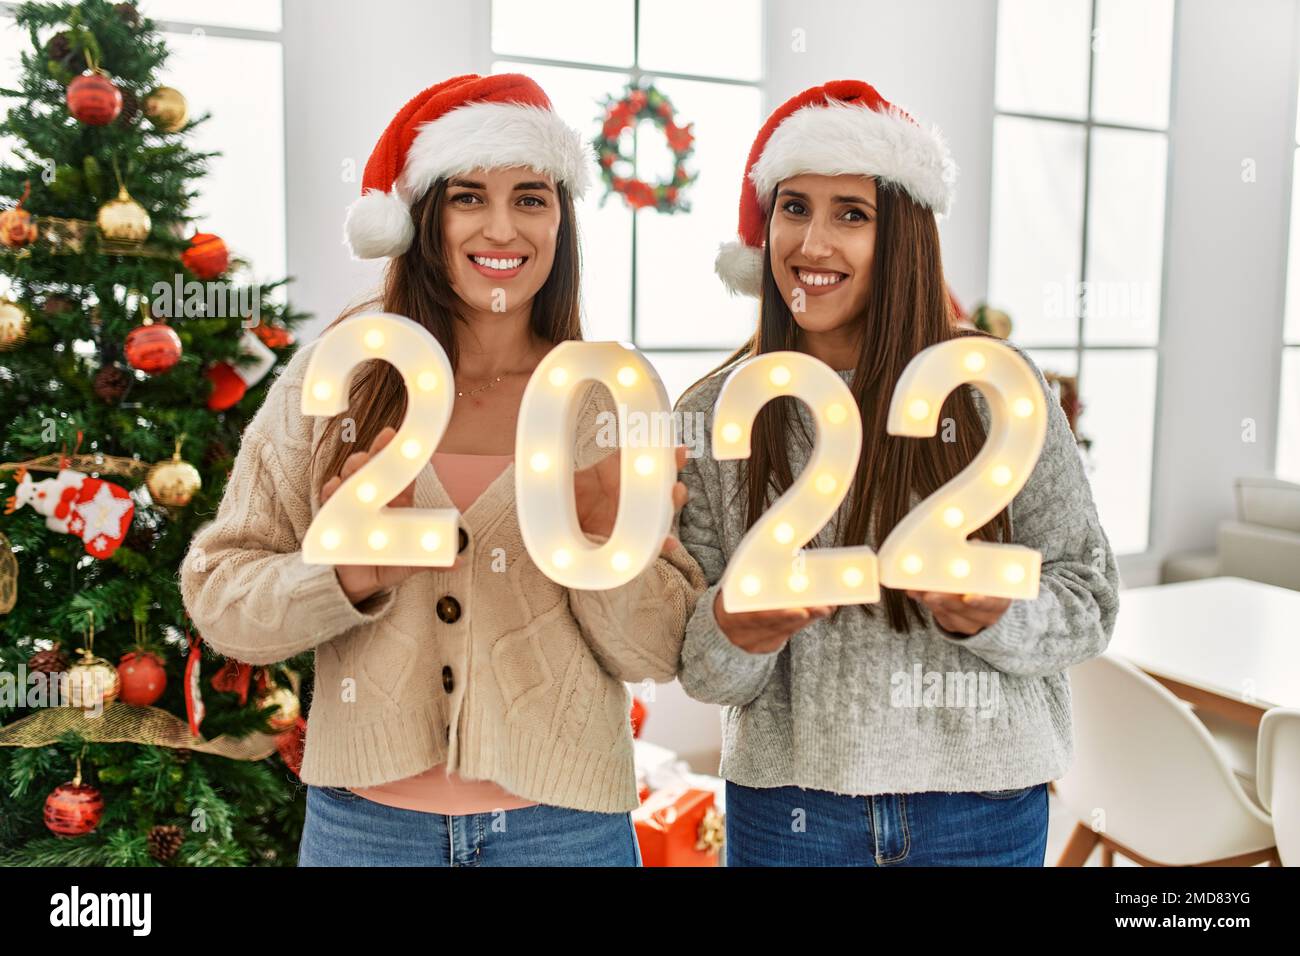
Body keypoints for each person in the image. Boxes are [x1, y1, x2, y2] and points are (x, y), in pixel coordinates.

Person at [180, 73, 706, 867]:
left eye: (532, 198)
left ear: (562, 219)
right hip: (367, 832)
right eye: (469, 197)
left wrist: (608, 559)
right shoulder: (341, 377)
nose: (503, 227)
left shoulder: (607, 395)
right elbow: (221, 600)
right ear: (423, 219)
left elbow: (657, 653)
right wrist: (342, 577)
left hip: (563, 831)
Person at [673, 79, 1121, 867]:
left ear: (905, 237)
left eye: (853, 213)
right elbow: (700, 667)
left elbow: (1090, 601)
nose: (812, 244)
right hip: (791, 813)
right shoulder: (716, 412)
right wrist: (736, 631)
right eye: (793, 207)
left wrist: (995, 614)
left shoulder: (995, 389)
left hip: (982, 810)